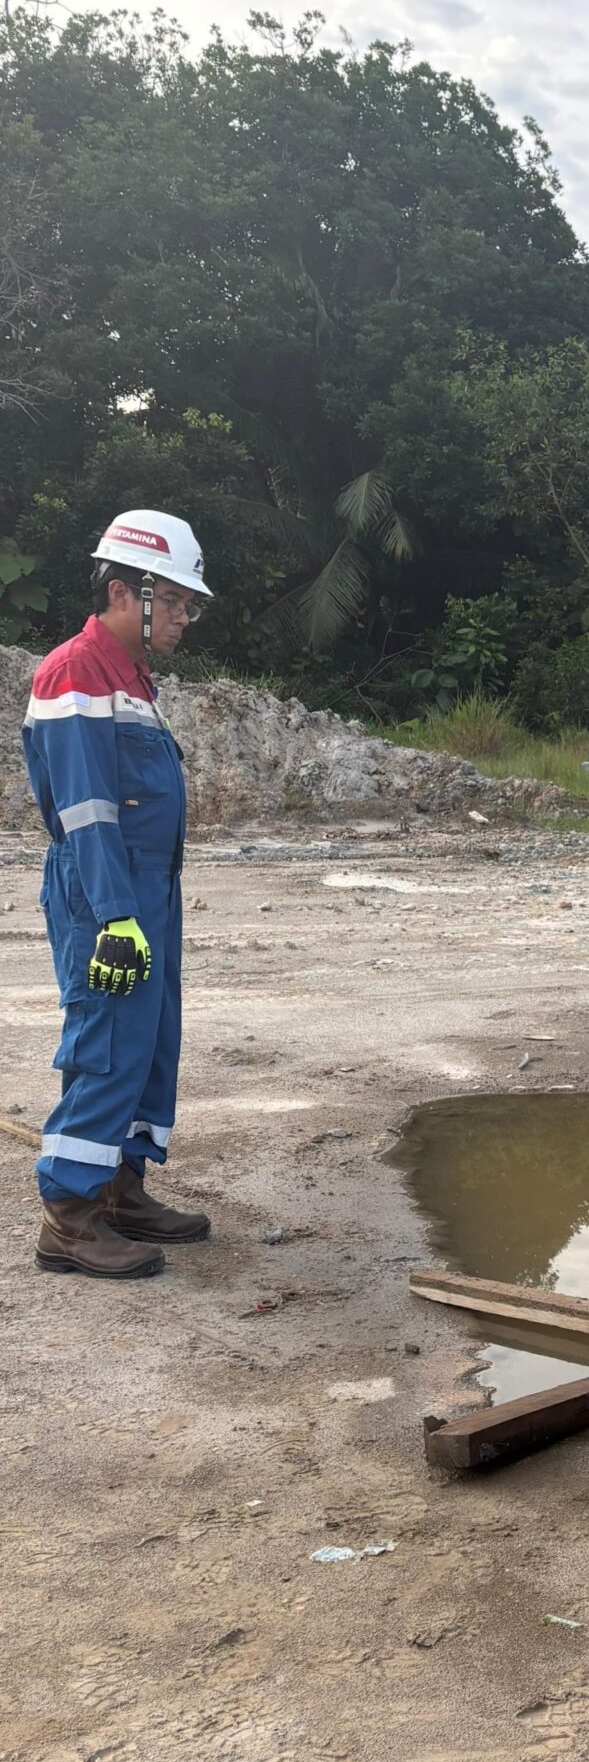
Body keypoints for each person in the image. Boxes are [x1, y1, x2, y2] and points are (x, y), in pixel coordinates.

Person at [24, 510, 214, 1278]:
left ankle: (120, 1188)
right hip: (106, 897)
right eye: (171, 601)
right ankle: (69, 1218)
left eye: (186, 603)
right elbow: (85, 810)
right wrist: (113, 918)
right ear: (121, 592)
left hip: (147, 894)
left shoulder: (134, 681)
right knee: (105, 1045)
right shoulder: (75, 671)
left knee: (148, 1042)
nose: (182, 617)